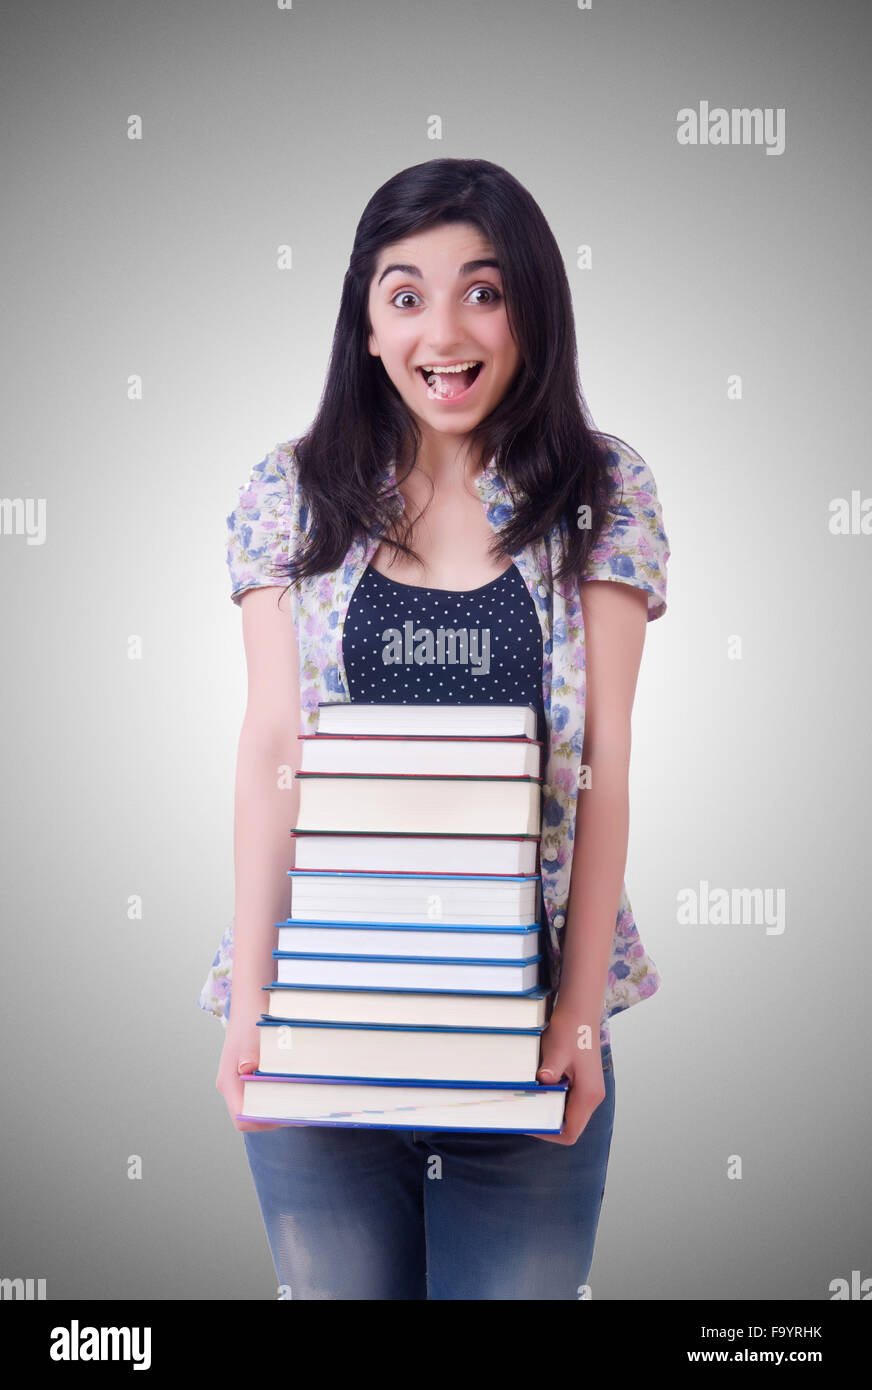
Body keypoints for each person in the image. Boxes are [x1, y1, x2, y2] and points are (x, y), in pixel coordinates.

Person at [199, 157, 670, 1300]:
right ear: (365, 324)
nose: (443, 330)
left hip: (526, 1030)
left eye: (484, 290)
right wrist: (253, 1005)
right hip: (320, 1018)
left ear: (531, 312)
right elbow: (271, 752)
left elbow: (601, 765)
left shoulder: (602, 489)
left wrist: (577, 1019)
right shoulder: (289, 490)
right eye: (405, 294)